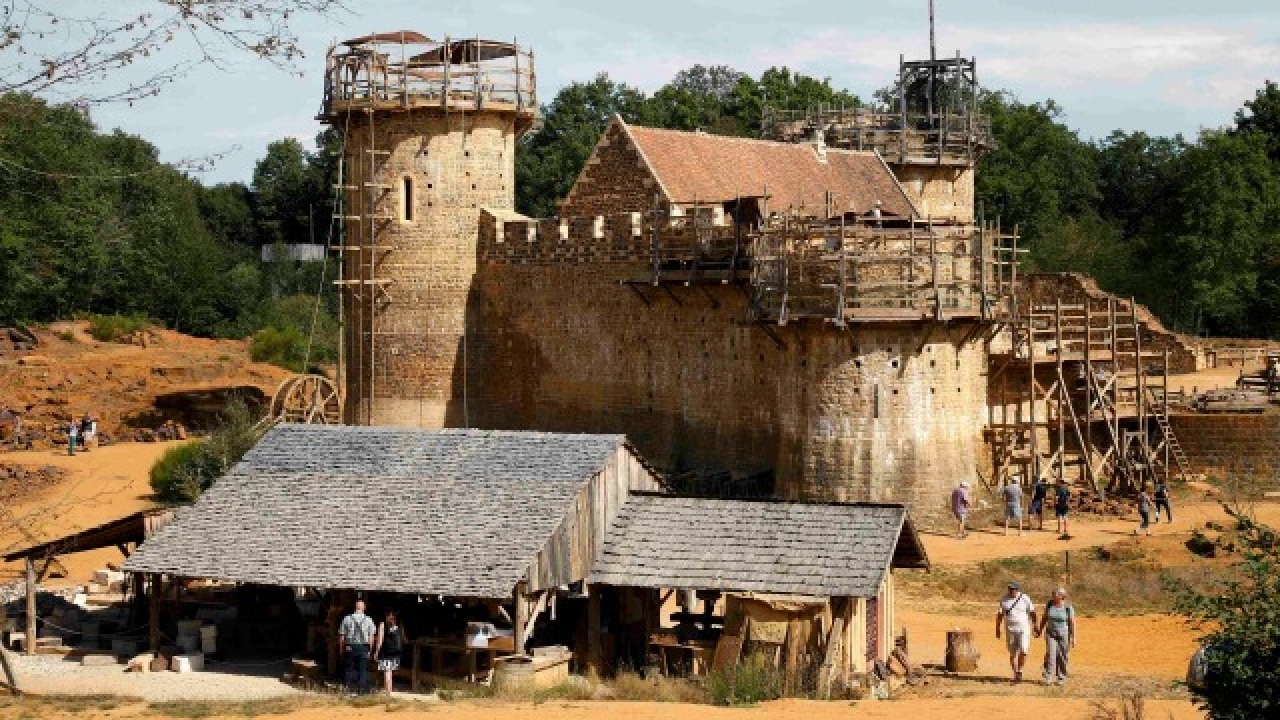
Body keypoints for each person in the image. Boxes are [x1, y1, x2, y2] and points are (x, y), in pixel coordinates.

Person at [996, 580, 1037, 682]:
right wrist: (997, 627)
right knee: (1012, 653)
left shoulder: (1024, 598)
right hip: (1010, 629)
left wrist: (1035, 625)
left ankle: (1020, 670)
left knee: (1023, 649)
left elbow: (1032, 612)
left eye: (1013, 589)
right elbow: (1000, 614)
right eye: (1009, 589)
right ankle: (1016, 674)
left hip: (1023, 628)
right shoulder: (1004, 599)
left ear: (1017, 590)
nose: (1011, 591)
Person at [1035, 587, 1076, 685]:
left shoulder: (1067, 607)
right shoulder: (1049, 604)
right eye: (1053, 594)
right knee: (1051, 655)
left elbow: (1072, 623)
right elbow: (1044, 618)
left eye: (1055, 594)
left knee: (1062, 656)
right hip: (1050, 633)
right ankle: (1048, 677)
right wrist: (1040, 630)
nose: (1053, 596)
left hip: (1064, 634)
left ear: (1061, 596)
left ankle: (1061, 677)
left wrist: (1074, 637)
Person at [338, 599, 377, 694]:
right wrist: (370, 650)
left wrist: (341, 649)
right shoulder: (369, 620)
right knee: (362, 670)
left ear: (355, 608)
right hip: (363, 647)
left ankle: (346, 689)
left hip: (350, 647)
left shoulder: (347, 618)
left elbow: (342, 636)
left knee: (348, 669)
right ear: (364, 608)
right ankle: (361, 691)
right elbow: (371, 637)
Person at [372, 609, 405, 695]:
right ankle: (389, 690)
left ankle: (388, 692)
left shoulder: (383, 624)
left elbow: (380, 640)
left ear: (386, 616)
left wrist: (376, 652)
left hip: (386, 651)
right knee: (390, 671)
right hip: (396, 652)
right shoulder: (399, 624)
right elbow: (404, 638)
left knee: (387, 672)